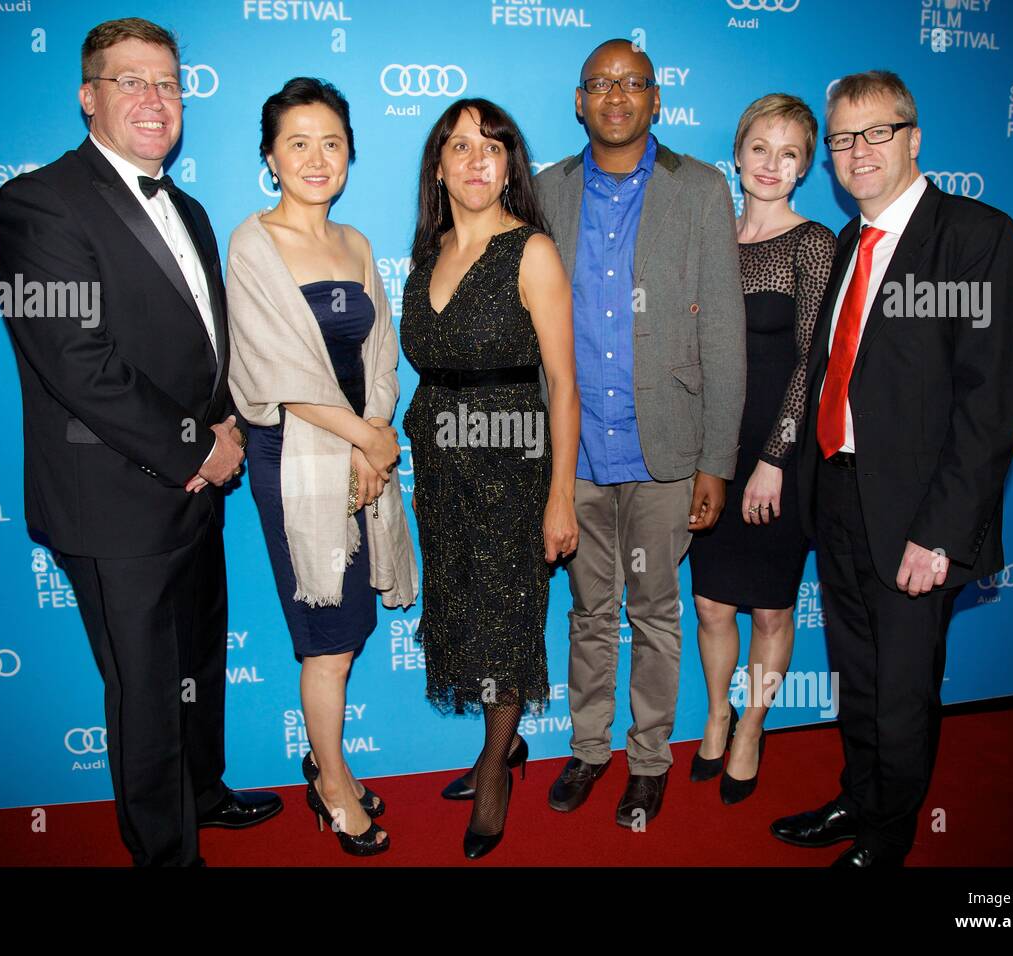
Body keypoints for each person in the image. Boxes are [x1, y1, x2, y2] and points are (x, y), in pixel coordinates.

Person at [0, 17, 281, 867]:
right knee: (146, 693)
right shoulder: (38, 203)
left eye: (167, 83)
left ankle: (205, 793)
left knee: (196, 666)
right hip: (115, 502)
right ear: (89, 96)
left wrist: (223, 427)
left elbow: (201, 346)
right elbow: (77, 364)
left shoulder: (184, 206)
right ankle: (165, 853)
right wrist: (200, 450)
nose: (155, 99)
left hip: (196, 492)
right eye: (131, 82)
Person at [771, 70, 1013, 866]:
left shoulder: (975, 238)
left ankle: (891, 835)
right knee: (856, 674)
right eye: (844, 139)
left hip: (920, 517)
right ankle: (861, 796)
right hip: (841, 496)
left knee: (903, 688)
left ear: (913, 138)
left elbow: (988, 407)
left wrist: (942, 534)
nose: (858, 152)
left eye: (877, 132)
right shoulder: (850, 241)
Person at [533, 38, 747, 828]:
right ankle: (590, 750)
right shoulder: (546, 191)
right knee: (590, 611)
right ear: (580, 101)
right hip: (576, 453)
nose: (616, 96)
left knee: (655, 612)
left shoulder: (698, 190)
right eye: (600, 84)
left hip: (667, 449)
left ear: (657, 100)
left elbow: (723, 333)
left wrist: (717, 459)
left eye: (632, 83)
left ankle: (649, 761)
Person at [225, 78, 418, 857]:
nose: (316, 157)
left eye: (331, 142)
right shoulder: (252, 243)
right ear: (270, 156)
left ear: (350, 156)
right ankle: (332, 786)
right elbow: (277, 373)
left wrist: (376, 431)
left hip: (360, 448)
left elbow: (380, 356)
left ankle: (324, 758)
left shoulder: (357, 244)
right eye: (297, 142)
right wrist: (367, 443)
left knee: (350, 625)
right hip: (296, 459)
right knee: (327, 636)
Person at [402, 98, 579, 860]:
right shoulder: (425, 251)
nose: (477, 160)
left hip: (513, 466)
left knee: (506, 621)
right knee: (464, 616)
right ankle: (492, 753)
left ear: (511, 165)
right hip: (440, 469)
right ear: (438, 165)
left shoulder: (530, 250)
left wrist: (561, 496)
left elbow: (565, 387)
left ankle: (499, 773)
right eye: (460, 146)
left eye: (493, 146)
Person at [686, 94, 835, 804]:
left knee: (773, 609)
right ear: (738, 153)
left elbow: (814, 361)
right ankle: (716, 713)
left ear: (806, 166)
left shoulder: (813, 243)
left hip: (780, 452)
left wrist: (776, 458)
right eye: (760, 149)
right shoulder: (712, 234)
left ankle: (753, 724)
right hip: (712, 449)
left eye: (790, 153)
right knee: (712, 603)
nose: (772, 165)